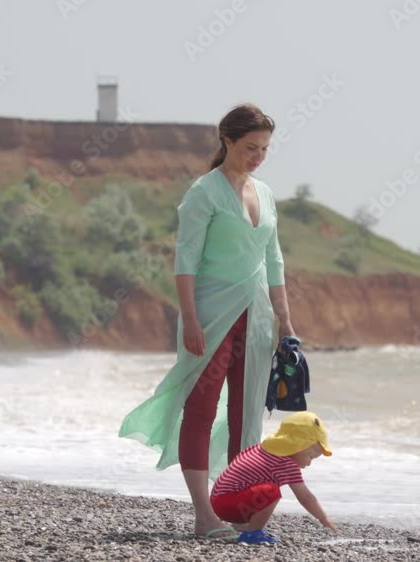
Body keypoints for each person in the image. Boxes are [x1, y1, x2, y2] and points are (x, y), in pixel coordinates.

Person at [118, 104, 296, 541]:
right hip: (212, 315)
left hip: (256, 318)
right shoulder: (204, 192)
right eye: (250, 146)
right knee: (199, 411)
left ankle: (239, 510)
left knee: (246, 415)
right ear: (227, 141)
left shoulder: (266, 193)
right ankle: (203, 515)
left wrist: (284, 319)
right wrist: (190, 320)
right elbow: (185, 262)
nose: (257, 155)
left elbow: (273, 259)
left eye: (265, 149)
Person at [210, 411, 337, 544]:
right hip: (228, 505)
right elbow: (305, 497)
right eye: (310, 457)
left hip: (219, 500)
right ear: (298, 447)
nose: (309, 463)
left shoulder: (262, 448)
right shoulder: (286, 463)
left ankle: (246, 528)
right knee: (271, 491)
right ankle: (252, 534)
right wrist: (323, 517)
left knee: (267, 489)